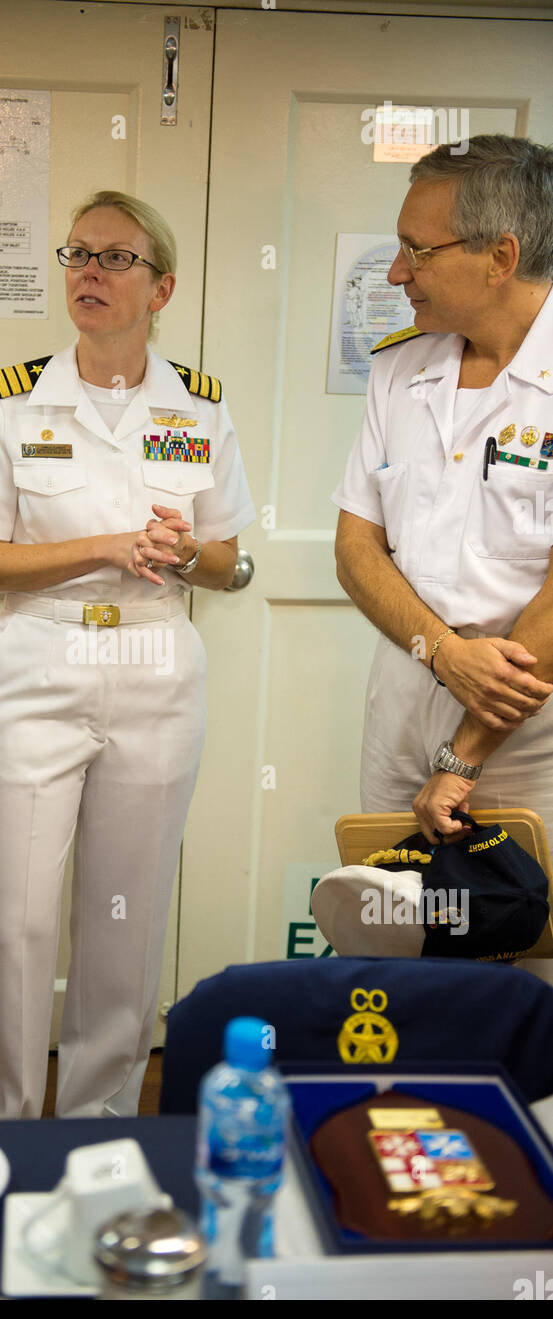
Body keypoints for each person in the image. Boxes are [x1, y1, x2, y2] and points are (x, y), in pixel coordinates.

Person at [0, 190, 256, 1118]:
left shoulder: (198, 407)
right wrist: (104, 547)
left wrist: (187, 553)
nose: (89, 270)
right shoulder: (10, 399)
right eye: (78, 254)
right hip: (38, 661)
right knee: (14, 929)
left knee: (124, 929)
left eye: (116, 258)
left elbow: (235, 566)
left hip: (157, 667)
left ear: (160, 287)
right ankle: (3, 1132)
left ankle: (97, 1133)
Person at [333, 135, 553, 848]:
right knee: (396, 932)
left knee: (526, 949)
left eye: (417, 251)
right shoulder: (400, 370)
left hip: (526, 737)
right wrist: (442, 653)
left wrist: (463, 758)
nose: (397, 273)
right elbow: (356, 546)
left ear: (500, 257)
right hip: (402, 706)